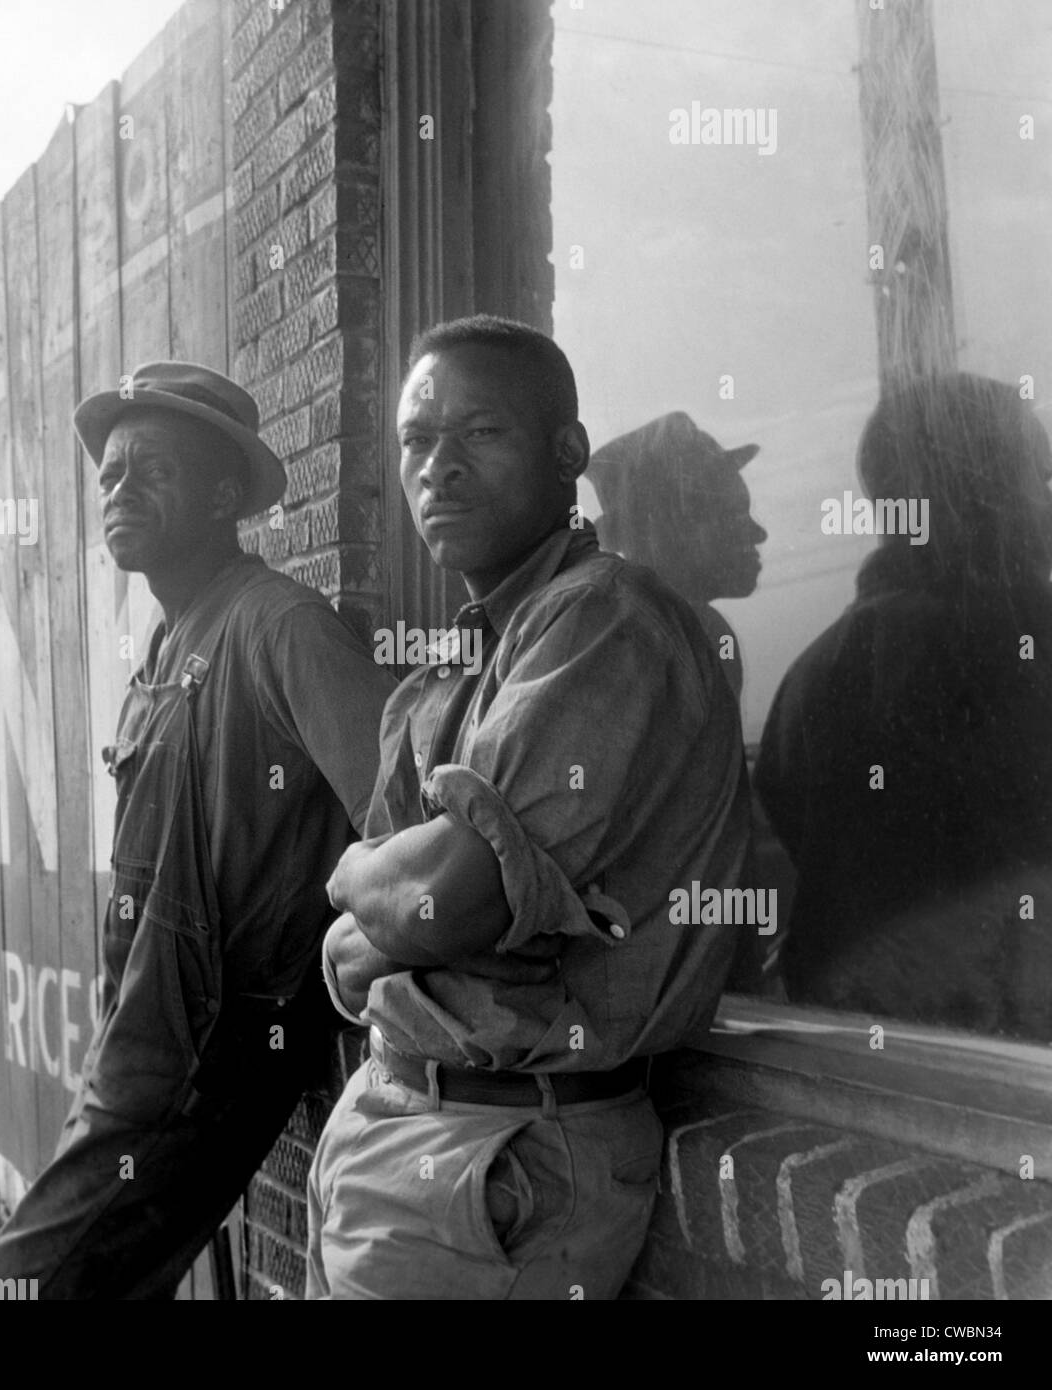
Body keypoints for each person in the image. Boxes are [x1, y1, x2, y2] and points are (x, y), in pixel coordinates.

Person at [306, 316, 752, 1300]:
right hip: (392, 1125)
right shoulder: (440, 674)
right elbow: (352, 950)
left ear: (568, 455)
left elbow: (440, 901)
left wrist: (354, 876)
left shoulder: (604, 617)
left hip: (500, 1154)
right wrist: (400, 903)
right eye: (418, 441)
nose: (440, 468)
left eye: (481, 433)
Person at [0, 361, 395, 1297]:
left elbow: (403, 837)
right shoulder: (167, 645)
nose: (120, 489)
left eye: (152, 469)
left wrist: (347, 987)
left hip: (205, 1069)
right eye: (111, 473)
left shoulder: (281, 626)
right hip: (138, 1049)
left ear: (220, 496)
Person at [755, 374, 1052, 1038]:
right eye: (1043, 478)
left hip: (860, 1054)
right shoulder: (1025, 638)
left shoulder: (811, 675)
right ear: (987, 497)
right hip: (1016, 1071)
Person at [588, 411, 767, 701]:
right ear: (665, 529)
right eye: (731, 516)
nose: (758, 533)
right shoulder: (683, 638)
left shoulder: (685, 631)